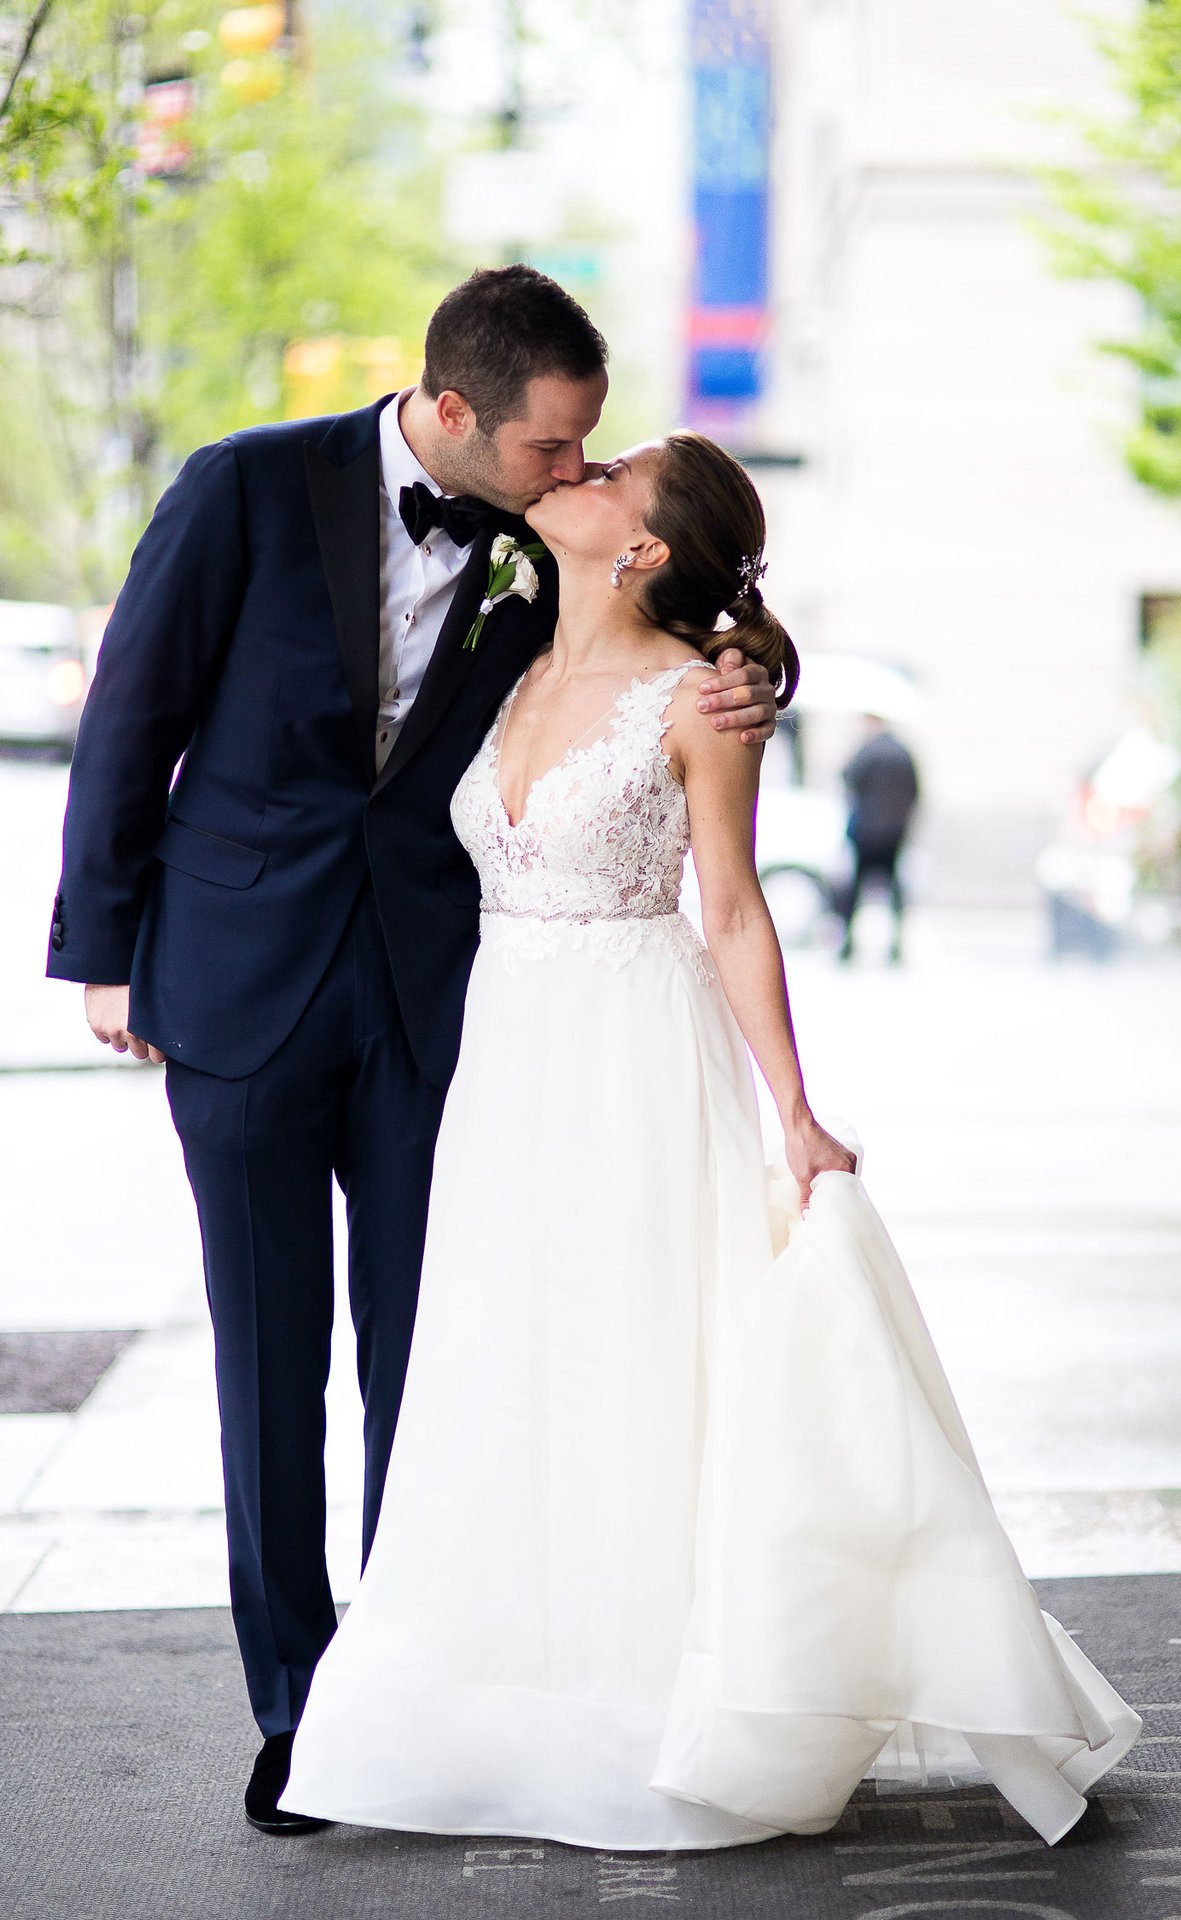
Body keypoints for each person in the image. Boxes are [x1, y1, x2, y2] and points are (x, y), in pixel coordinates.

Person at [281, 431, 1140, 1850]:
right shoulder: (508, 660)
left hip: (633, 1046)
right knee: (504, 1359)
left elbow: (734, 911)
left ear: (645, 549)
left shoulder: (701, 703)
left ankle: (640, 1700)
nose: (579, 466)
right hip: (505, 1059)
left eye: (609, 468)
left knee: (635, 1356)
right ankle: (480, 1700)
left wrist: (795, 1111)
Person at [45, 267, 779, 1835]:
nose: (571, 473)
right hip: (235, 983)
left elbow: (631, 657)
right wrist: (101, 949)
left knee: (424, 1359)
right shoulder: (243, 489)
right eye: (549, 448)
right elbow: (131, 719)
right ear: (454, 411)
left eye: (587, 454)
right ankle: (299, 1711)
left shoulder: (540, 548)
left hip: (431, 1006)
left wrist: (730, 674)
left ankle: (409, 1682)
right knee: (267, 1358)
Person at [839, 713, 920, 964]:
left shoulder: (869, 751)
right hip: (894, 832)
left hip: (867, 831)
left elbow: (847, 777)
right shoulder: (902, 752)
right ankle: (895, 946)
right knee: (893, 890)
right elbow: (915, 792)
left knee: (856, 890)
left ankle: (849, 943)